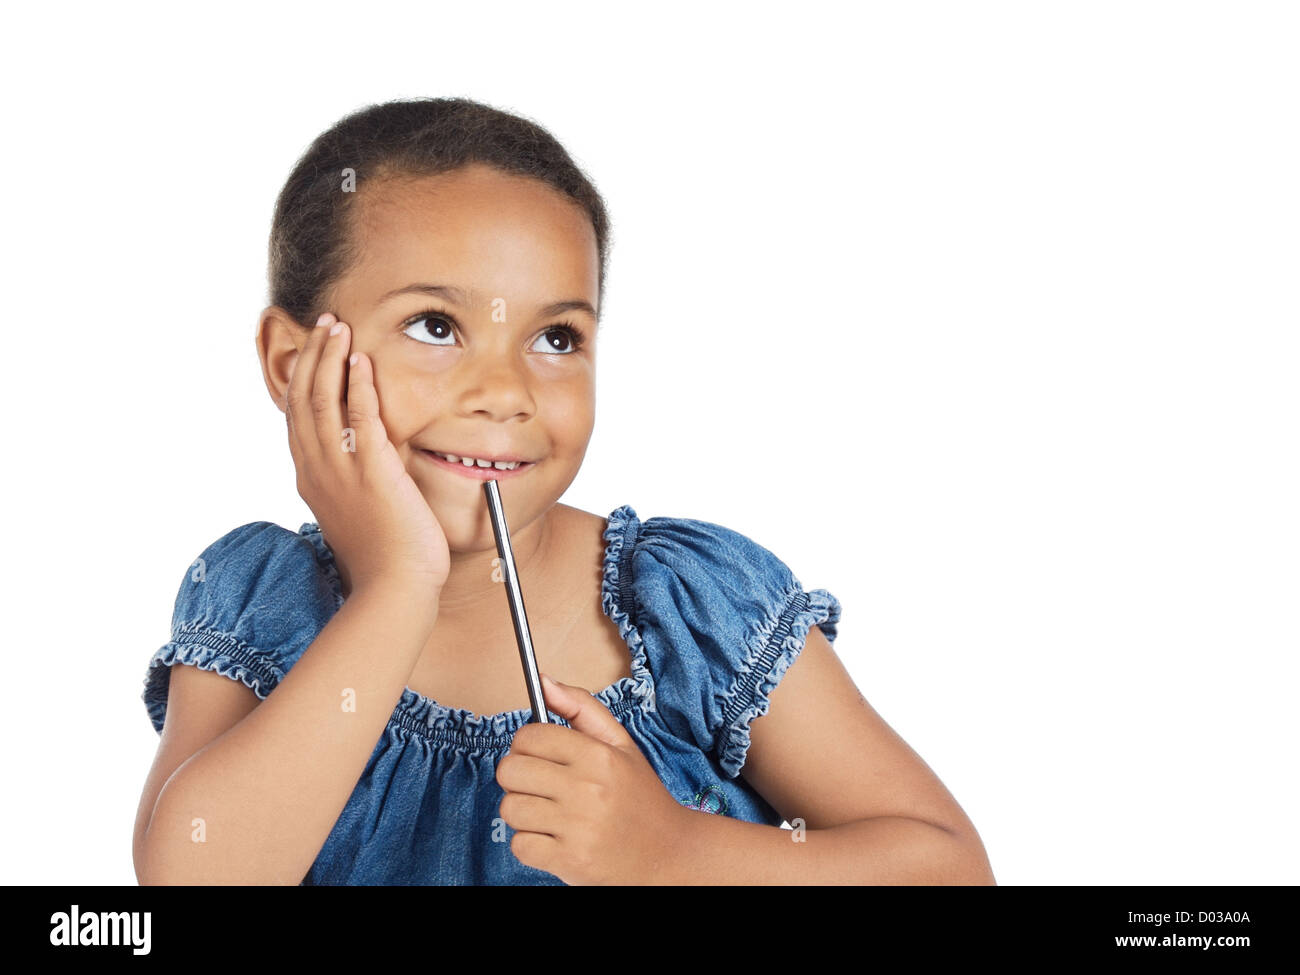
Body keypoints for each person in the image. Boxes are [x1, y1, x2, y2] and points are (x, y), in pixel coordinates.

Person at [132, 96, 995, 886]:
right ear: (294, 364)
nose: (505, 391)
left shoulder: (682, 609)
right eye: (436, 325)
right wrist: (398, 586)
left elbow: (950, 869)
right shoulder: (263, 601)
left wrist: (676, 852)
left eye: (555, 336)